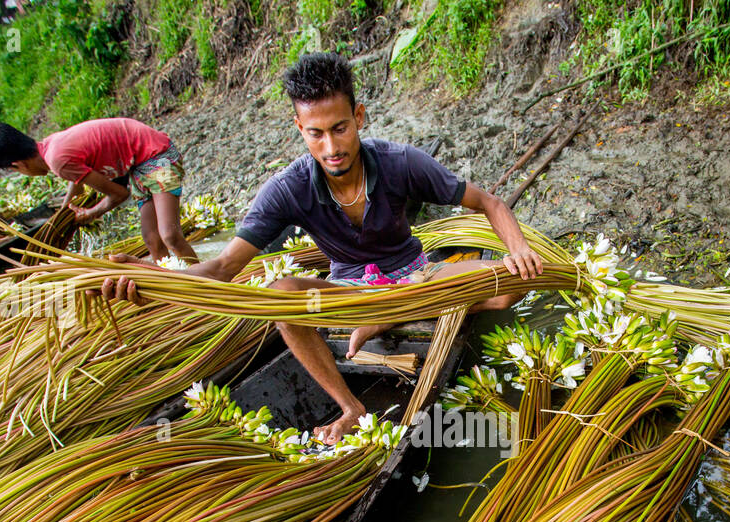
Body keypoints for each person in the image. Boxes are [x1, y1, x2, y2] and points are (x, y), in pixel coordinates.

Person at [100, 52, 542, 443]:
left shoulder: (399, 161)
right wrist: (152, 277)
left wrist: (520, 249)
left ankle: (386, 314)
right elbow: (221, 268)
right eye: (315, 134)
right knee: (281, 296)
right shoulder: (287, 189)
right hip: (348, 294)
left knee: (513, 282)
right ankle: (351, 406)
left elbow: (488, 202)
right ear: (299, 128)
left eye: (340, 128)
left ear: (359, 117)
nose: (331, 147)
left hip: (416, 277)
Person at [0, 117, 198, 264]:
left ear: (18, 166)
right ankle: (175, 282)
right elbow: (77, 180)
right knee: (152, 239)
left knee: (169, 235)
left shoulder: (57, 160)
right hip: (138, 166)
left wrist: (90, 214)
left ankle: (207, 283)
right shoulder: (50, 147)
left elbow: (119, 194)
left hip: (156, 156)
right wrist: (66, 210)